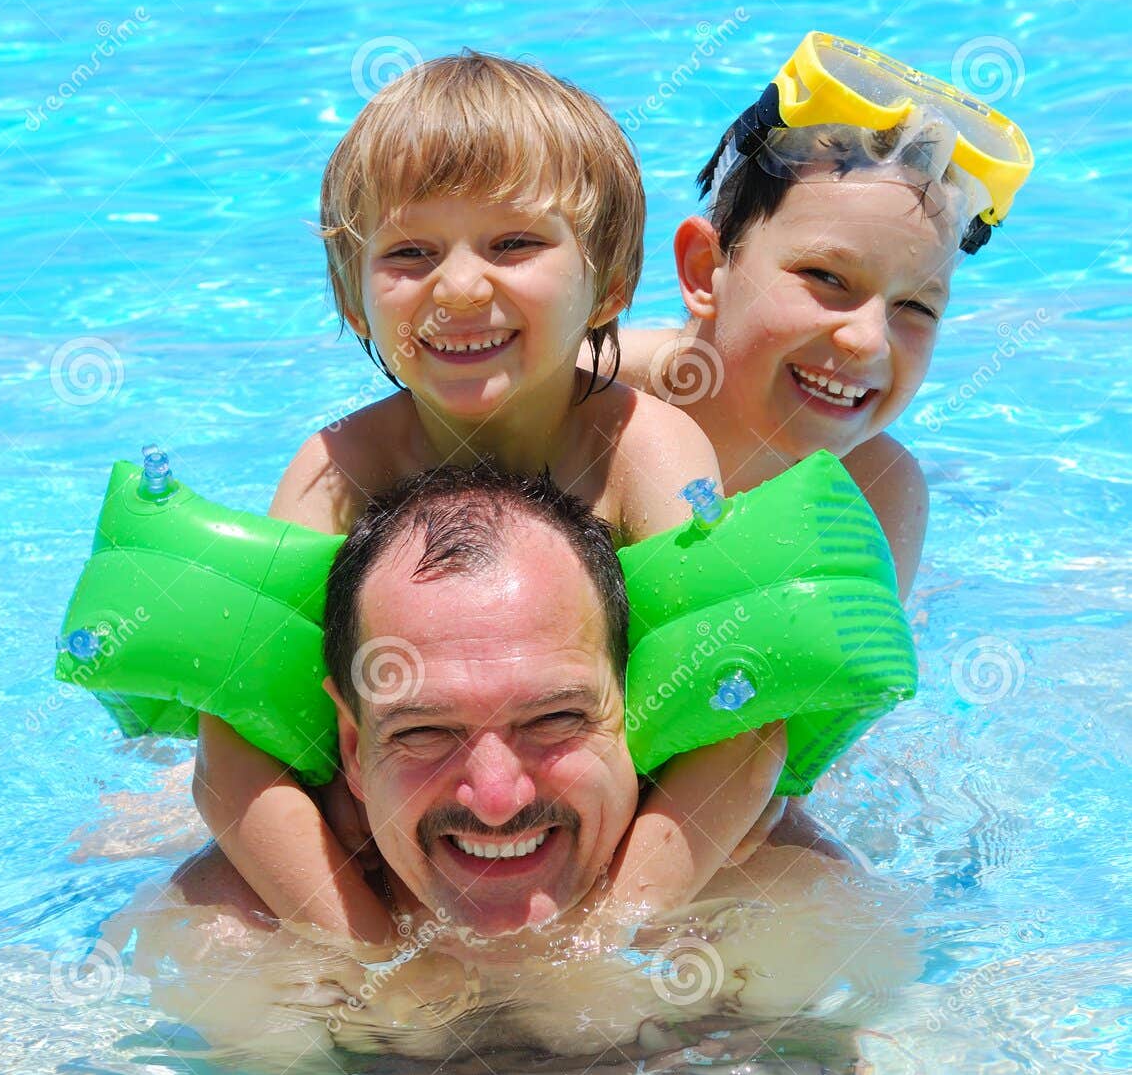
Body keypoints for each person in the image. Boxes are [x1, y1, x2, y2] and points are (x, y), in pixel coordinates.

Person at [193, 51, 785, 947]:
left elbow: (745, 724)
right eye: (409, 253)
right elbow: (230, 760)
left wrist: (605, 943)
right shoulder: (334, 472)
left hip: (594, 833)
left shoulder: (648, 454)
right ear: (355, 300)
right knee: (213, 913)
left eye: (513, 243)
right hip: (418, 827)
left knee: (786, 863)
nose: (461, 287)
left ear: (612, 283)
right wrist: (372, 958)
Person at [129, 464, 913, 1073]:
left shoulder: (784, 918)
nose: (497, 798)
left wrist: (611, 942)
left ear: (635, 713)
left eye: (555, 720)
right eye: (426, 731)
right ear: (352, 746)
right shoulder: (229, 947)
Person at [609, 32, 1033, 601]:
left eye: (915, 306)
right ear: (705, 268)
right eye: (827, 278)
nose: (867, 342)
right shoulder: (583, 402)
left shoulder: (877, 494)